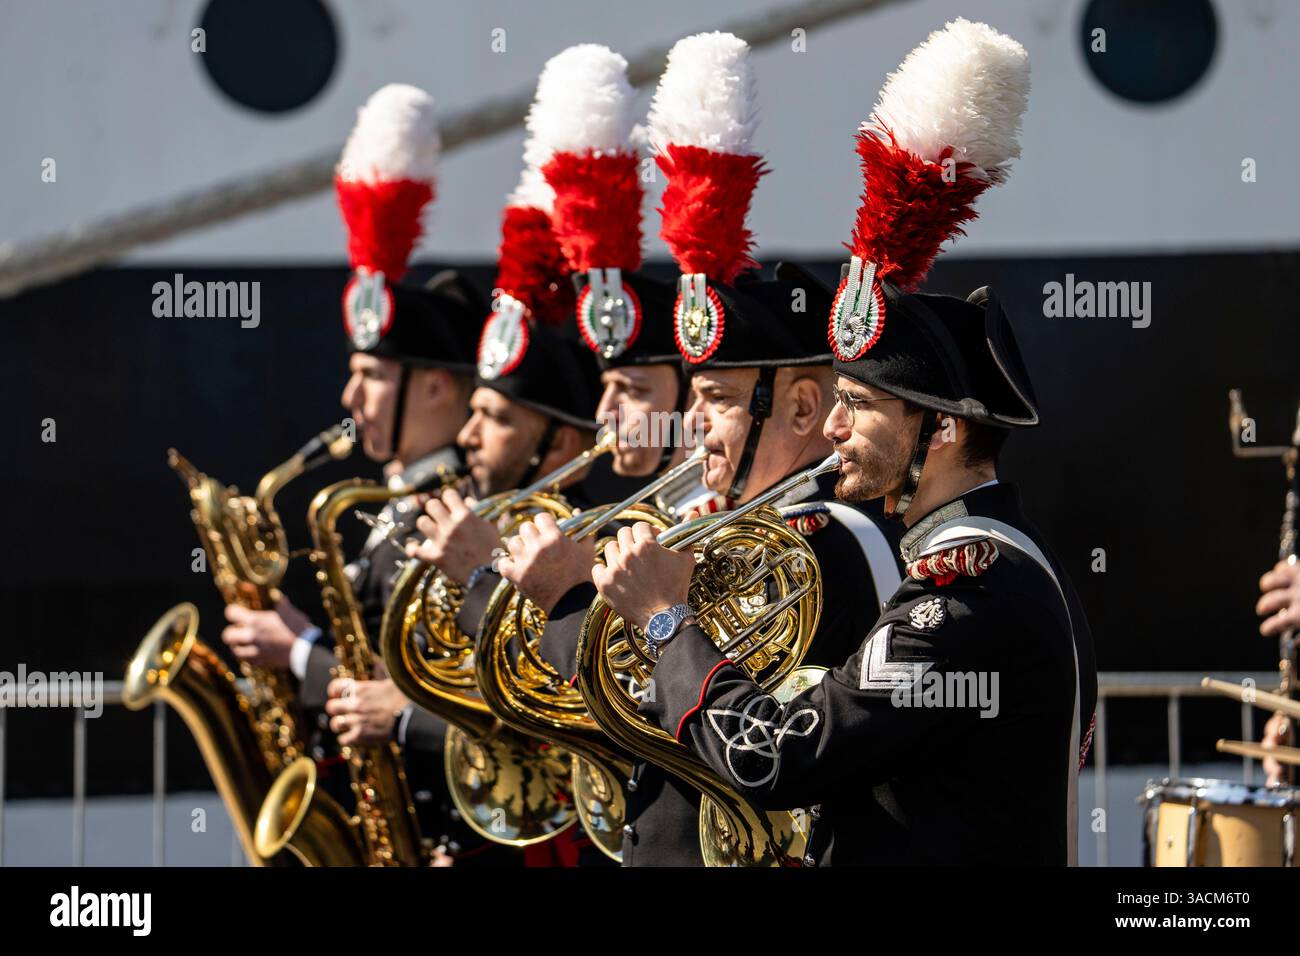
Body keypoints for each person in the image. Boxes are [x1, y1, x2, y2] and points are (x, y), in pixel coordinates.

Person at [591, 19, 1098, 866]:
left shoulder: (964, 589)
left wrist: (666, 617)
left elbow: (778, 756)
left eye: (858, 405)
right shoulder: (981, 564)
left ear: (939, 429)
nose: (831, 425)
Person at [504, 31, 904, 866]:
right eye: (691, 398)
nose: (691, 425)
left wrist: (570, 602)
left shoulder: (834, 541)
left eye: (717, 400)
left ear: (801, 406)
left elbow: (686, 714)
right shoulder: (739, 530)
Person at [220, 84, 493, 864]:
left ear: (437, 386)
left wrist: (300, 656)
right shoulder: (389, 506)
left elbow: (470, 700)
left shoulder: (460, 513)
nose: (349, 399)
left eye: (371, 377)